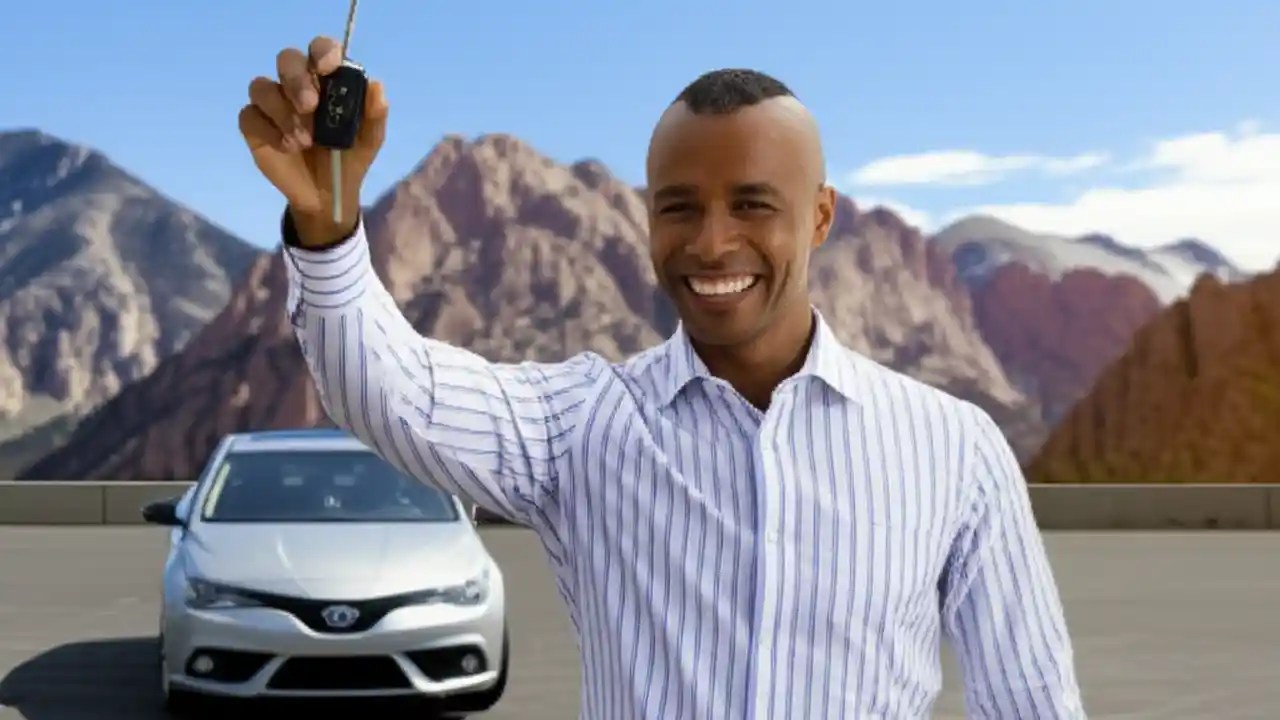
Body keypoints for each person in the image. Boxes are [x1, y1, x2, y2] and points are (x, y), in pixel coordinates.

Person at [238, 34, 1087, 719]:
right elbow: (391, 390)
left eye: (753, 204)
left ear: (820, 215)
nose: (711, 243)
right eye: (679, 206)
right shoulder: (579, 428)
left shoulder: (955, 450)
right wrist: (329, 223)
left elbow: (1033, 702)